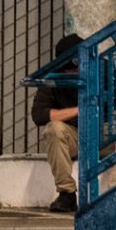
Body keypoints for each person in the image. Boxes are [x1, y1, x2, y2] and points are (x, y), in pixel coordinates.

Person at [32, 32, 82, 213]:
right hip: (74, 134)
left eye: (76, 69)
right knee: (54, 129)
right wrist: (78, 111)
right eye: (68, 70)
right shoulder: (53, 77)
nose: (73, 74)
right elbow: (39, 114)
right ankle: (67, 193)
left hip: (102, 133)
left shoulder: (102, 70)